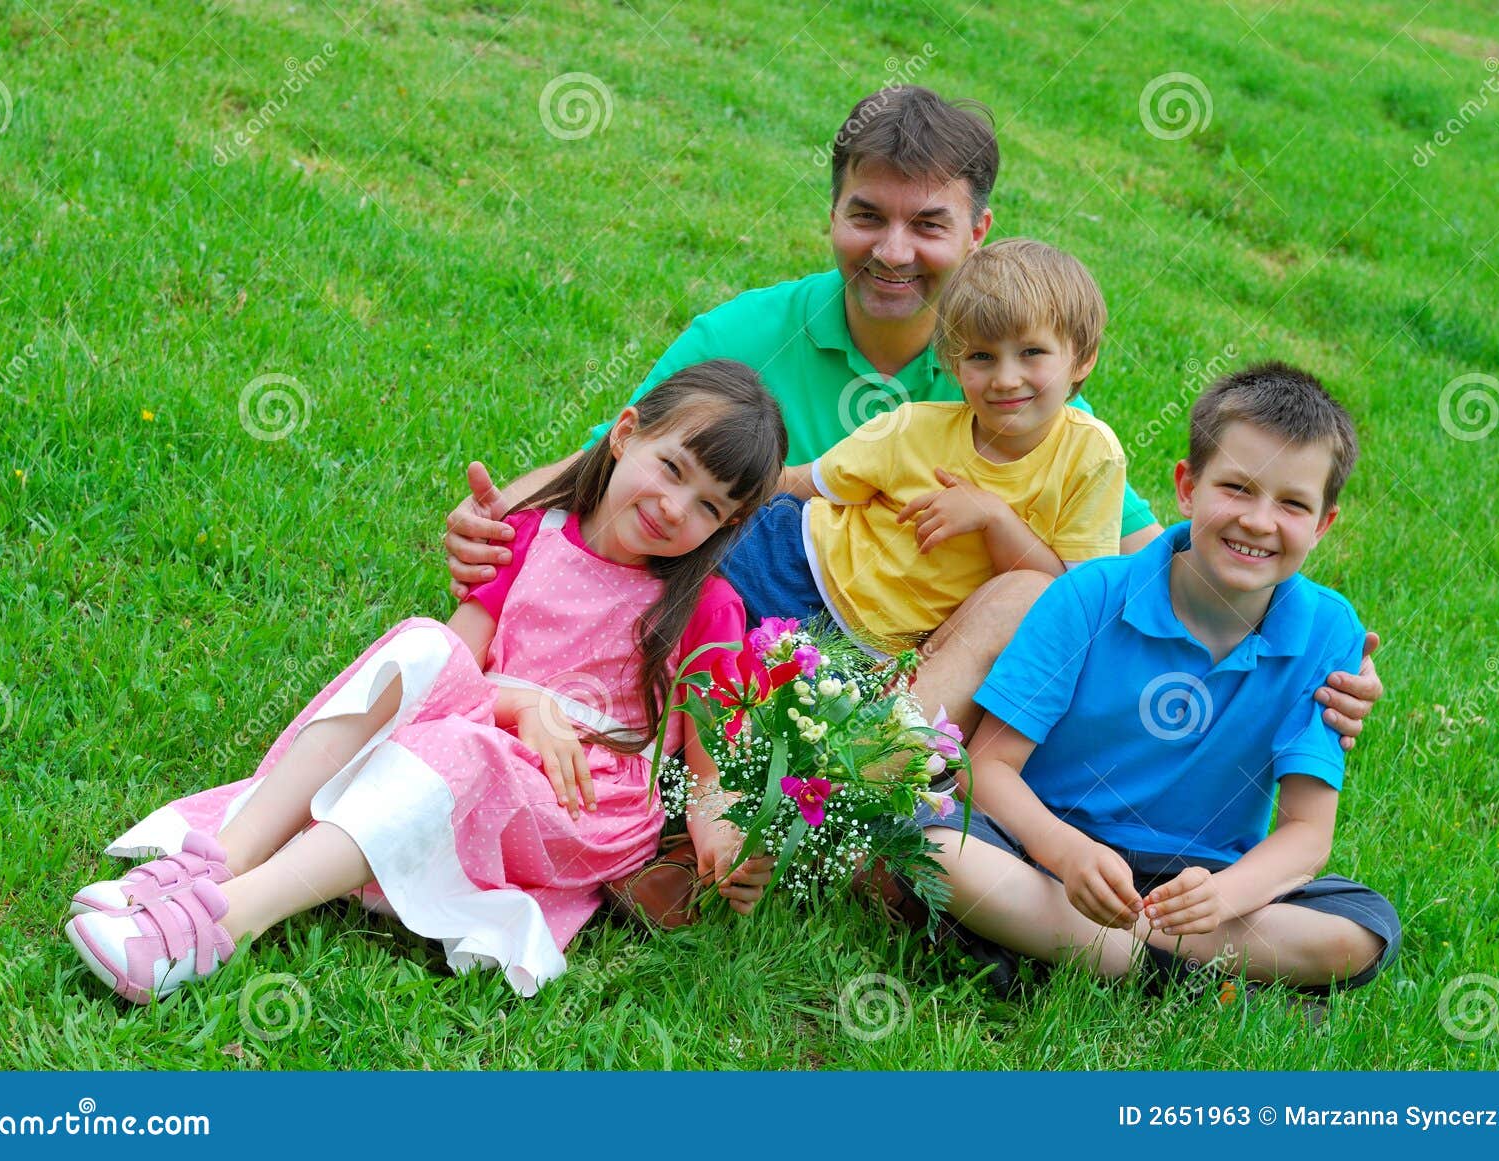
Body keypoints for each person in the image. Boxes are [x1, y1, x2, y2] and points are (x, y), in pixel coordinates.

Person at [442, 84, 1383, 746]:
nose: (893, 251)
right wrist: (499, 526)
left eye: (929, 224)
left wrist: (1302, 641)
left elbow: (1139, 559)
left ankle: (885, 783)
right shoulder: (746, 334)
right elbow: (610, 466)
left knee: (1027, 609)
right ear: (834, 213)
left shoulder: (1023, 396)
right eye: (867, 215)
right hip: (734, 587)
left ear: (977, 233)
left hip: (891, 650)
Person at [64, 361, 788, 1004]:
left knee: (459, 751)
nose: (675, 508)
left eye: (710, 508)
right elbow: (454, 665)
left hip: (581, 800)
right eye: (673, 469)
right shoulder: (533, 533)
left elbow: (710, 771)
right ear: (626, 432)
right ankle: (221, 857)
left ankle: (222, 922)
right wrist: (525, 702)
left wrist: (725, 838)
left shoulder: (704, 607)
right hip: (483, 729)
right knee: (423, 641)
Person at [922, 363, 1399, 992]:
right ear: (1187, 487)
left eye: (1291, 503)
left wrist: (1225, 896)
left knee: (1361, 931)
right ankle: (1178, 977)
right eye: (1236, 488)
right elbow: (985, 768)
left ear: (1322, 524)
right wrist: (1065, 854)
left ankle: (1077, 952)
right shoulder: (1089, 595)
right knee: (934, 845)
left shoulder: (1328, 630)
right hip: (1044, 850)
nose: (1258, 521)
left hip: (1198, 886)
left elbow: (1307, 834)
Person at [720, 238, 1124, 657]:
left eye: (1032, 353)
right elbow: (803, 483)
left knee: (773, 704)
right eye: (982, 356)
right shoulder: (915, 426)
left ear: (1083, 358)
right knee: (680, 595)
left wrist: (993, 518)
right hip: (792, 557)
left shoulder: (1090, 455)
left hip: (872, 650)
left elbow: (1071, 600)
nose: (1005, 379)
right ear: (954, 365)